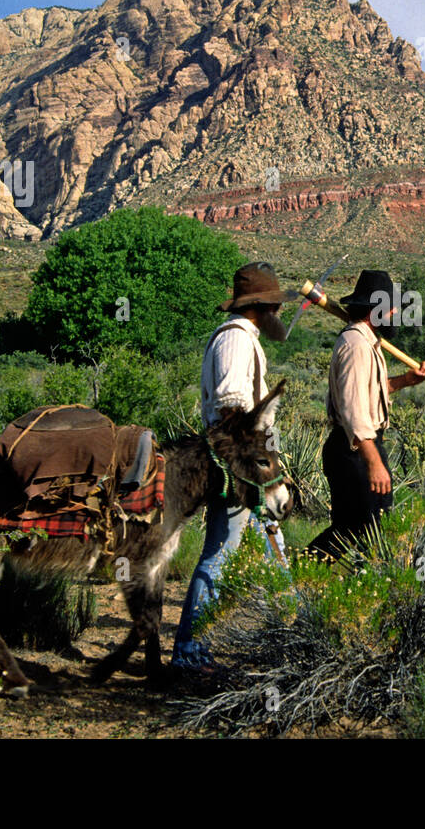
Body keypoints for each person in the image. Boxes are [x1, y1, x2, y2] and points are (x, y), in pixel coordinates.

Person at [171, 261, 289, 672]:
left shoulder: (241, 338)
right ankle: (188, 653)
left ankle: (295, 639)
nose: (278, 313)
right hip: (240, 468)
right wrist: (256, 462)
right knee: (220, 554)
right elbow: (231, 406)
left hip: (247, 464)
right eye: (274, 305)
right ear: (261, 306)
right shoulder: (237, 342)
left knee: (273, 549)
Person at [306, 270, 425, 560]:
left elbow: (369, 393)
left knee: (360, 527)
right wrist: (373, 462)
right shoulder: (356, 346)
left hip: (359, 448)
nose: (395, 312)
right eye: (391, 307)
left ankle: (309, 580)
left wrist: (406, 381)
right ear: (375, 309)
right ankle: (298, 577)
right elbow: (353, 410)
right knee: (359, 528)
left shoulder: (366, 342)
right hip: (354, 450)